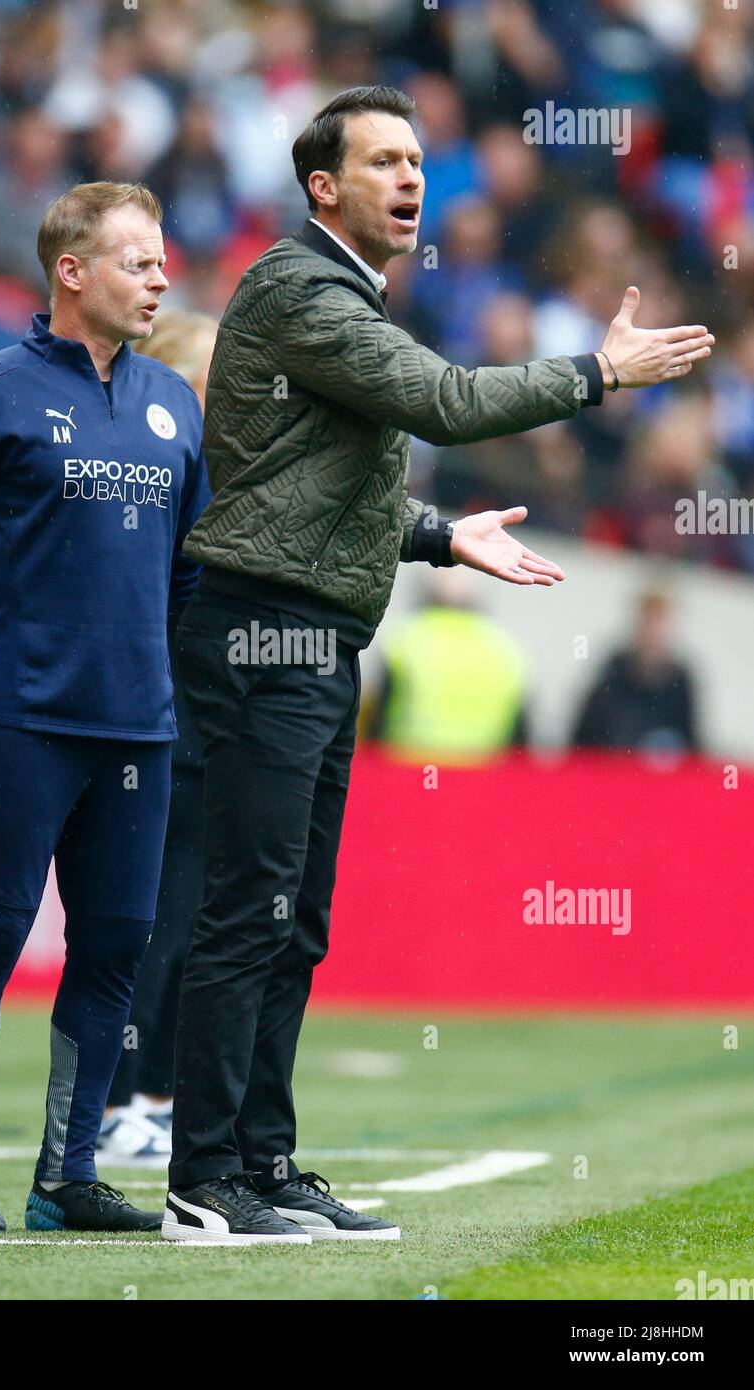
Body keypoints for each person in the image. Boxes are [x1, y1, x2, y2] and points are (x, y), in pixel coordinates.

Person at [161, 85, 715, 1245]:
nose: (413, 179)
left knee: (292, 919)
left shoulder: (336, 297)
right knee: (246, 912)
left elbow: (304, 480)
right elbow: (445, 400)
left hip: (316, 631)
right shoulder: (300, 285)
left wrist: (432, 532)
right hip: (265, 628)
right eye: (384, 162)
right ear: (325, 187)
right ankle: (203, 1174)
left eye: (418, 160)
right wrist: (595, 374)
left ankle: (263, 1159)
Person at [0, 180, 211, 1234]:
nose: (160, 277)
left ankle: (67, 1175)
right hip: (15, 719)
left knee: (113, 948)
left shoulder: (175, 402)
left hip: (139, 730)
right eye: (136, 260)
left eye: (162, 260)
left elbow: (186, 571)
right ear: (72, 271)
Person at [96, 311, 218, 1166]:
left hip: (209, 724)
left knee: (191, 922)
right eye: (211, 370)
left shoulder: (213, 469)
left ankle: (156, 1094)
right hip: (159, 722)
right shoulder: (153, 473)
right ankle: (113, 1101)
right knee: (149, 925)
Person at [367, 567, 528, 763]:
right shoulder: (505, 648)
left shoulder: (403, 639)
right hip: (482, 778)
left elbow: (374, 721)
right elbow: (521, 739)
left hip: (408, 771)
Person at [571, 589, 699, 753]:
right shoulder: (612, 676)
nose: (653, 633)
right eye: (648, 623)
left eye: (659, 624)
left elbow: (693, 748)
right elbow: (583, 740)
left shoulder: (681, 684)